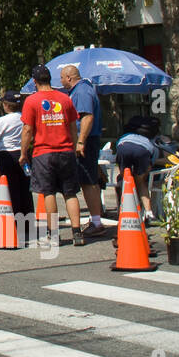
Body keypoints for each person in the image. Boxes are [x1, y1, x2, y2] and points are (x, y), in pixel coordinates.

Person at [19, 64, 85, 246]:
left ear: (35, 81)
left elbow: (27, 130)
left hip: (43, 153)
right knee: (70, 193)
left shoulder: (31, 101)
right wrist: (74, 145)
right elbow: (73, 127)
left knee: (48, 193)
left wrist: (23, 153)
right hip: (66, 151)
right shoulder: (65, 99)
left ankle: (54, 234)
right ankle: (77, 232)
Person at [60, 65, 108, 239]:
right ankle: (96, 219)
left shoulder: (81, 92)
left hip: (86, 140)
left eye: (62, 78)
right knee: (88, 179)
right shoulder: (82, 90)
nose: (61, 81)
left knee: (88, 181)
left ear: (69, 77)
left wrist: (80, 141)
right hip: (87, 140)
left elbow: (87, 117)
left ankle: (96, 222)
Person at [0, 90, 33, 216]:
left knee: (10, 187)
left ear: (6, 105)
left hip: (7, 155)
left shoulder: (2, 121)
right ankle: (27, 217)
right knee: (25, 186)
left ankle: (14, 216)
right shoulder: (25, 118)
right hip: (24, 152)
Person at [116, 115, 159, 224]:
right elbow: (150, 163)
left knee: (124, 179)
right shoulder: (151, 141)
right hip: (143, 150)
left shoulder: (125, 136)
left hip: (123, 146)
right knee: (140, 182)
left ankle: (124, 209)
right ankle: (149, 213)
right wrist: (140, 176)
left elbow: (118, 152)